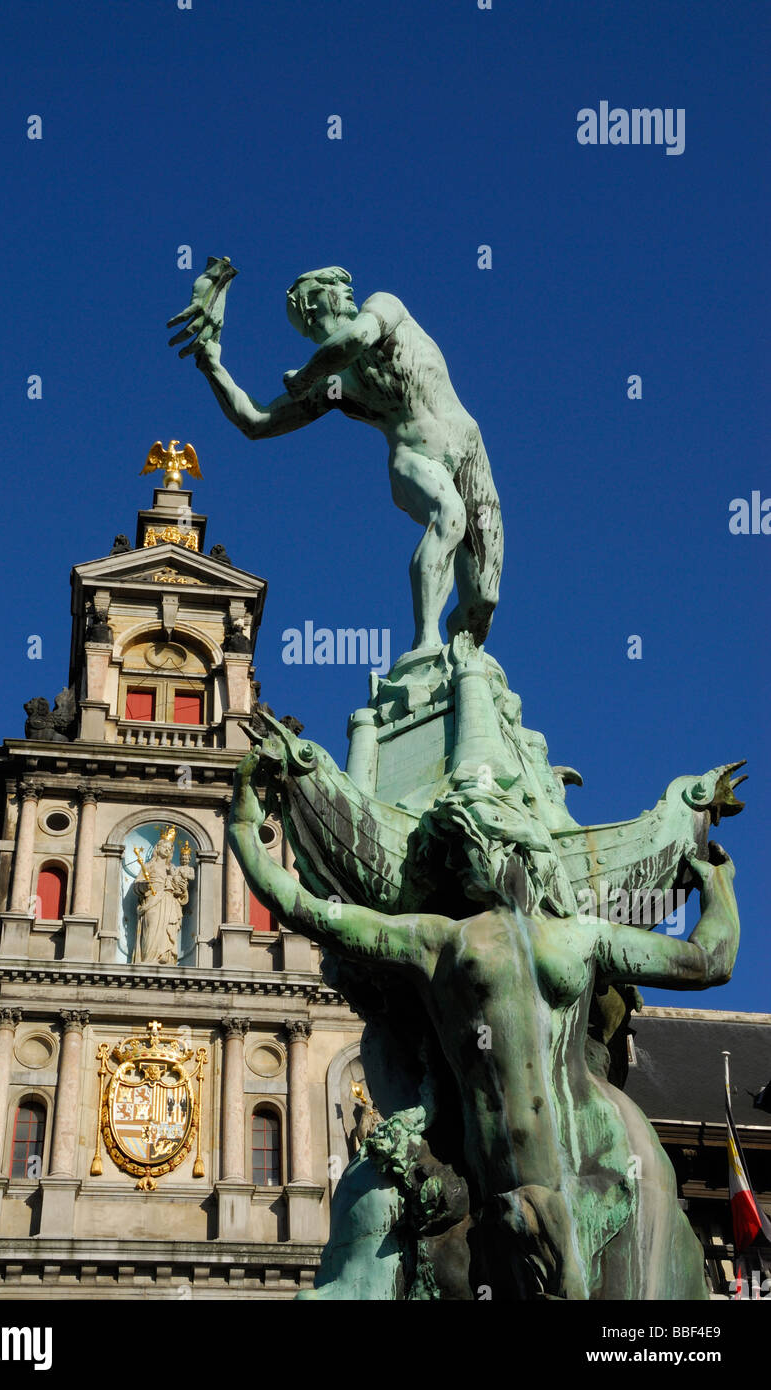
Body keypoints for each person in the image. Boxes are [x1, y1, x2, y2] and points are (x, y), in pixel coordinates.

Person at [229, 748, 739, 1299]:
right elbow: (306, 911)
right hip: (499, 1169)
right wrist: (242, 824)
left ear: (509, 849)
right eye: (458, 853)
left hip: (601, 1154)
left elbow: (709, 963)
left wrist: (718, 886)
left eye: (470, 849)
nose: (464, 863)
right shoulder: (443, 939)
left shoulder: (538, 938)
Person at [169, 266, 502, 652]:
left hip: (470, 451)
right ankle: (425, 645)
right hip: (414, 456)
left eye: (346, 285)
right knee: (449, 515)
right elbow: (257, 422)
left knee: (482, 602)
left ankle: (464, 671)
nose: (347, 291)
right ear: (310, 304)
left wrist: (307, 375)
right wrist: (213, 367)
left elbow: (357, 337)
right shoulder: (334, 385)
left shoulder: (383, 307)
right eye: (334, 287)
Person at [131, 829, 188, 965]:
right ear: (158, 848)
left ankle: (166, 959)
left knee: (167, 930)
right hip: (153, 901)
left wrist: (182, 888)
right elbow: (136, 886)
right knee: (151, 929)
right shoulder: (148, 866)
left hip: (169, 901)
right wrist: (144, 886)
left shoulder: (173, 869)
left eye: (170, 848)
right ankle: (148, 959)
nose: (167, 850)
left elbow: (181, 892)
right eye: (165, 847)